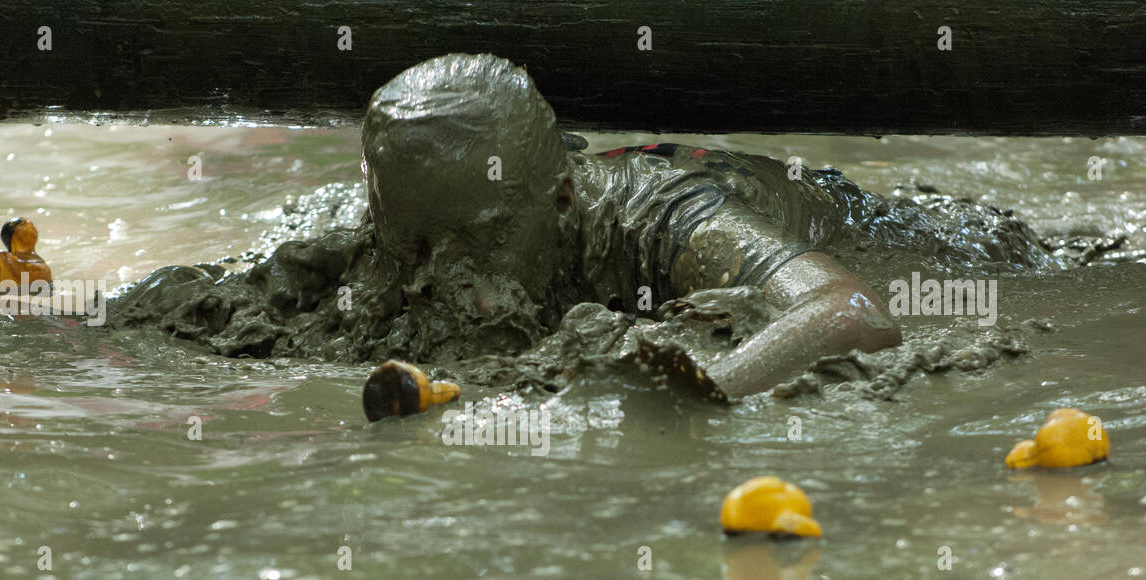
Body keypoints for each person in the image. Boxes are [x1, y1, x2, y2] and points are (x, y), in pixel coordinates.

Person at [113, 53, 1058, 406]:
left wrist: (711, 382)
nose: (436, 275)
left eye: (478, 243)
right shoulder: (394, 219)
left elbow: (851, 309)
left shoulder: (664, 220)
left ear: (561, 202)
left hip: (943, 239)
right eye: (410, 245)